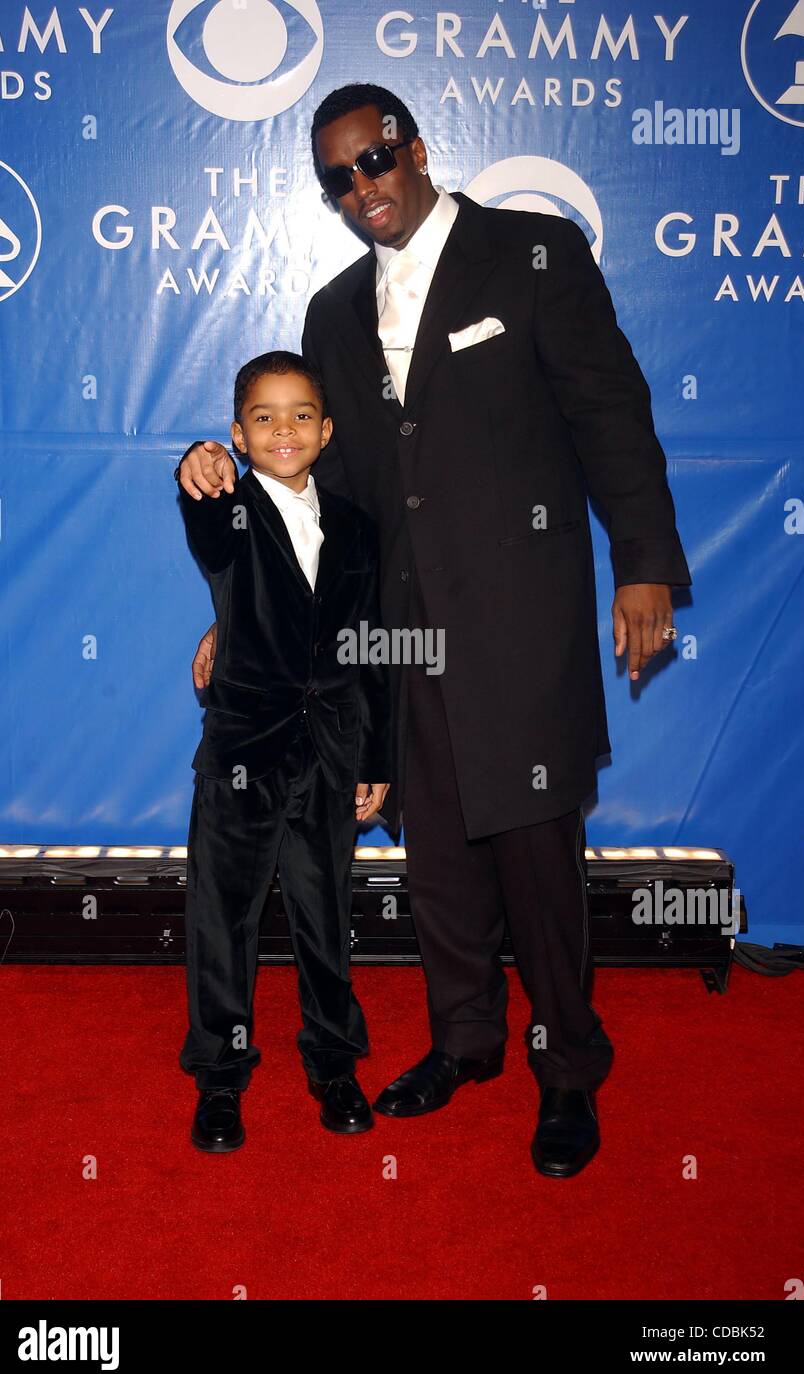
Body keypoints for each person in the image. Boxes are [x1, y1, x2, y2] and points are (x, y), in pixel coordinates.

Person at [178, 84, 692, 1177]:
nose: (359, 187)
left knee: (536, 852)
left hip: (519, 614)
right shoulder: (327, 312)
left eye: (372, 160)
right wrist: (245, 618)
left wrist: (645, 564)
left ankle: (567, 1067)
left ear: (415, 147)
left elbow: (610, 409)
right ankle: (466, 1042)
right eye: (336, 178)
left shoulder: (533, 253)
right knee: (439, 853)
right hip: (396, 634)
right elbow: (332, 501)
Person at [176, 349, 391, 1152]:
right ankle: (221, 1079)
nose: (283, 429)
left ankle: (334, 1063)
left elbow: (370, 648)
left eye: (301, 413)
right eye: (262, 418)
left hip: (331, 754)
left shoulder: (358, 529)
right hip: (241, 749)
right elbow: (201, 505)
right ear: (238, 433)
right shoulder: (228, 508)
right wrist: (193, 463)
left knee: (323, 914)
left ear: (326, 429)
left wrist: (376, 758)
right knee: (222, 917)